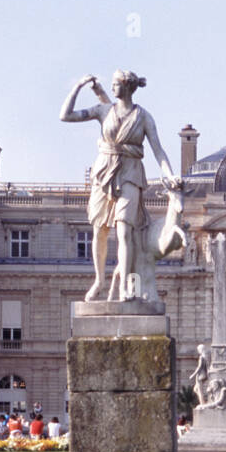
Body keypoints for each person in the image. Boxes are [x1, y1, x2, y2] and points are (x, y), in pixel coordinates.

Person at [60, 70, 179, 302]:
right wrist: (79, 86)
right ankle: (99, 281)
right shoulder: (103, 111)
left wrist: (170, 176)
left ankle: (125, 286)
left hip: (131, 173)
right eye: (112, 84)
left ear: (126, 87)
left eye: (115, 84)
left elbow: (158, 150)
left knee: (124, 231)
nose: (112, 87)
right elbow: (65, 115)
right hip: (104, 173)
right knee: (99, 230)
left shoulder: (144, 117)